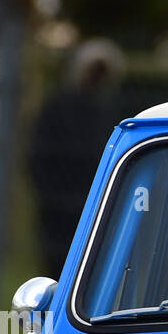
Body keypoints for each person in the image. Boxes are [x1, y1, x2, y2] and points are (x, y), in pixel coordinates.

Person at [27, 39, 126, 277]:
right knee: (56, 266)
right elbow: (38, 155)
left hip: (96, 202)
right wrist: (49, 193)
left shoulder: (112, 112)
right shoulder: (57, 107)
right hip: (57, 206)